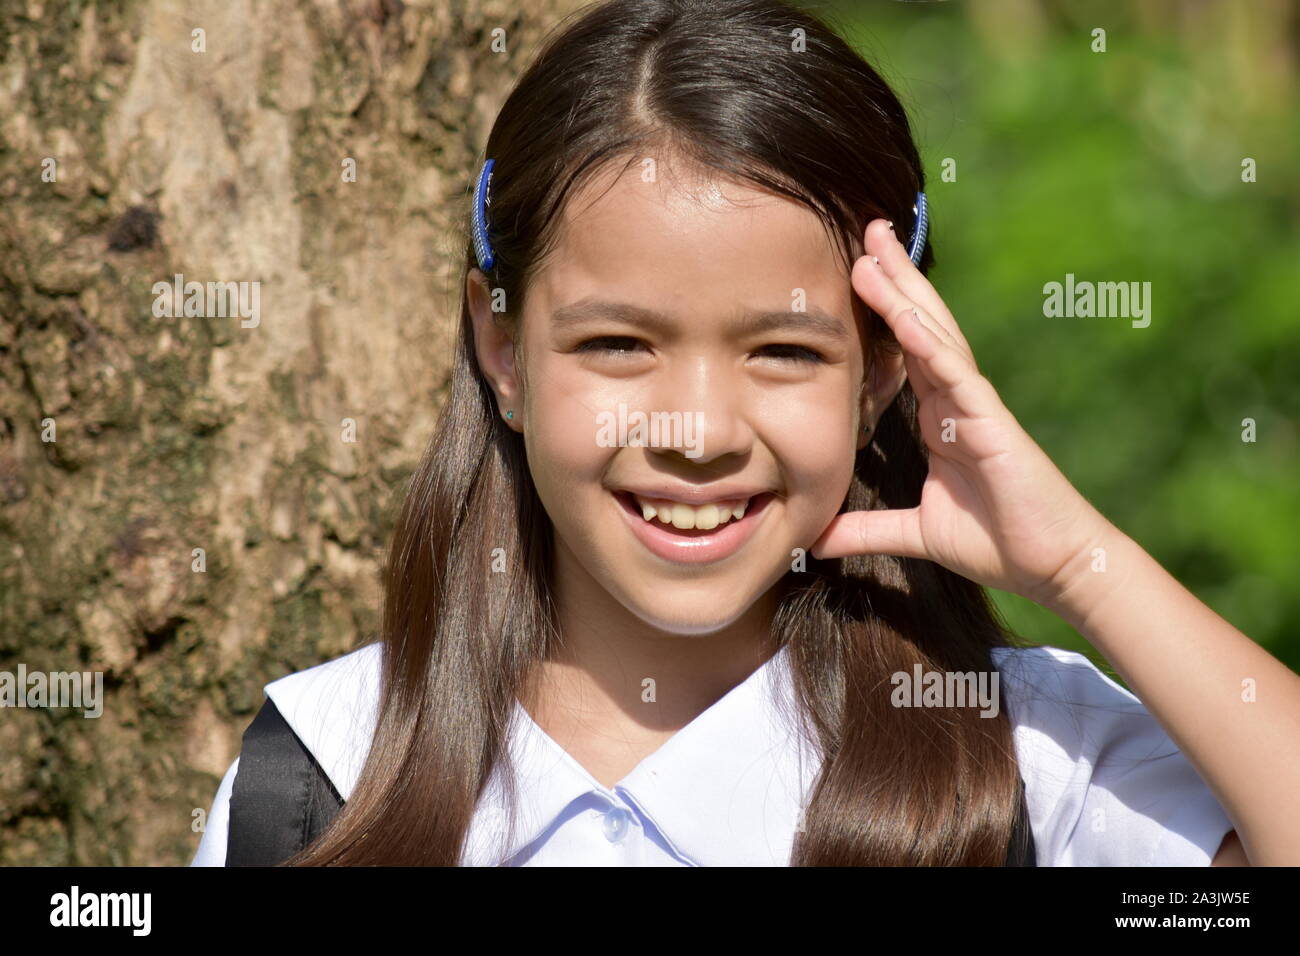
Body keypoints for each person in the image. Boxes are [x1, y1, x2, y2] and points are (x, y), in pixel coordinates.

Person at [192, 0, 1296, 867]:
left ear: (880, 372)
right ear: (501, 348)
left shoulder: (1027, 765)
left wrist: (1080, 565)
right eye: (620, 344)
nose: (698, 430)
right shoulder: (323, 778)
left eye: (783, 351)